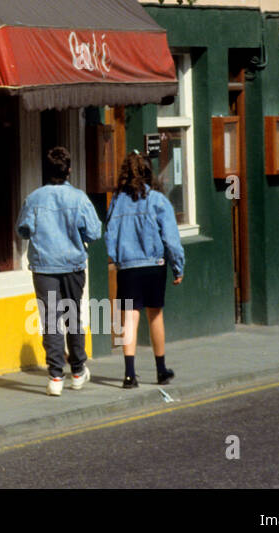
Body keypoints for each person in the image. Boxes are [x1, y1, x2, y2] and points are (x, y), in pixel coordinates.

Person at [16, 146, 102, 396]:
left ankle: (55, 376)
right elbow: (94, 232)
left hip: (44, 266)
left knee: (50, 320)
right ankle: (77, 370)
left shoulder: (34, 198)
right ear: (69, 170)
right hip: (72, 264)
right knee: (72, 317)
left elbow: (23, 230)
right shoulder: (79, 198)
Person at [104, 152, 185, 388]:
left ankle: (129, 375)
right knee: (155, 315)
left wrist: (118, 260)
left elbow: (109, 235)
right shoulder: (158, 200)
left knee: (129, 317)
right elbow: (171, 239)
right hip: (154, 265)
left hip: (128, 267)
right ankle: (161, 370)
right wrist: (177, 267)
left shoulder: (117, 201)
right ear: (149, 172)